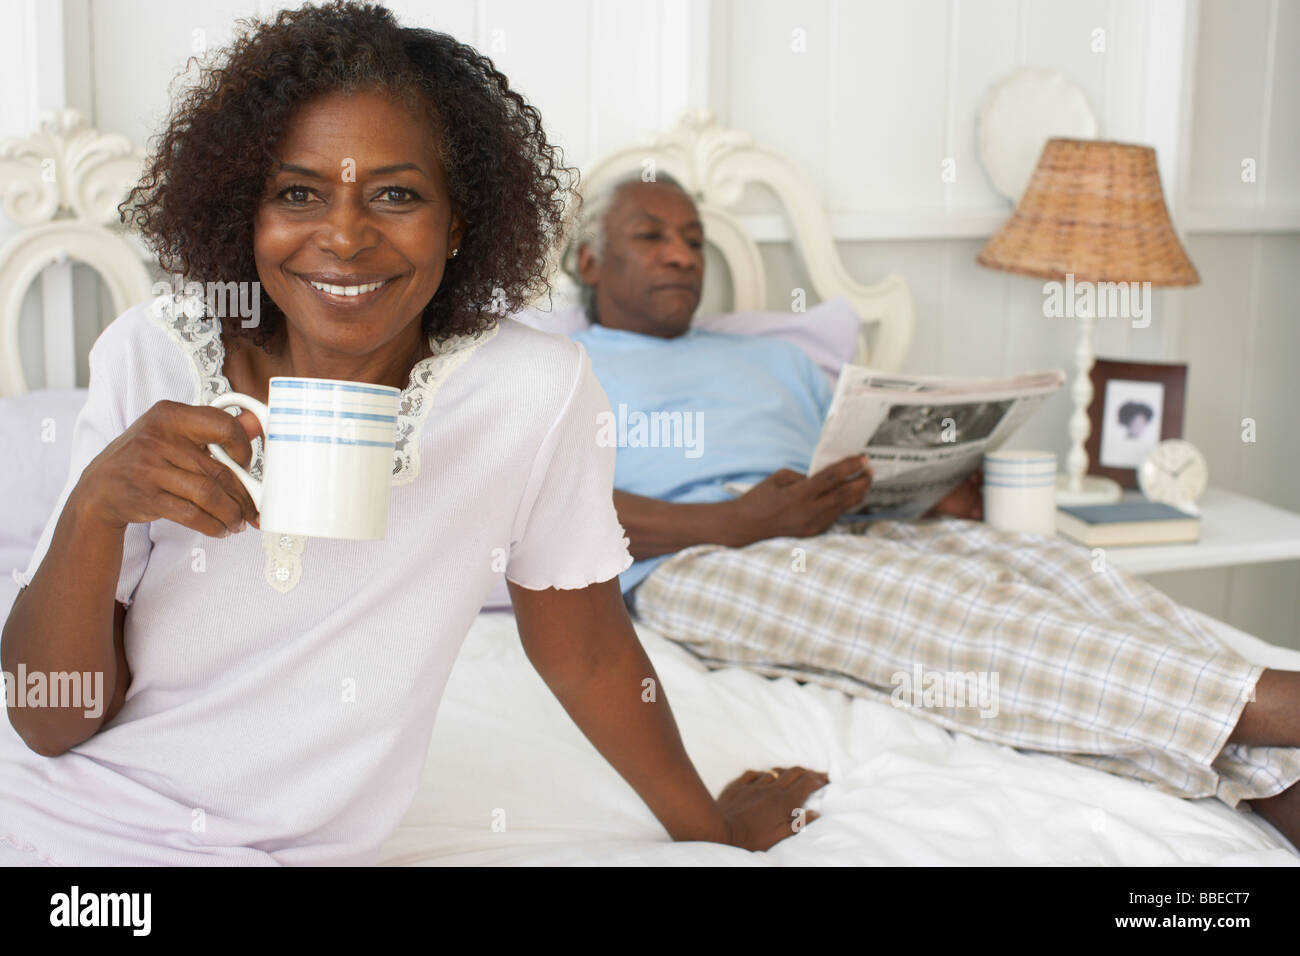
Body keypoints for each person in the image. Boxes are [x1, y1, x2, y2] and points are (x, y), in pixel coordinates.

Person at [0, 1, 826, 866]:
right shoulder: (156, 353)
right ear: (246, 212)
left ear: (459, 221)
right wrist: (94, 508)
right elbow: (46, 723)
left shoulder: (532, 394)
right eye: (297, 193)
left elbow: (586, 651)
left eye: (396, 194)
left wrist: (713, 835)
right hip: (57, 827)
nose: (346, 236)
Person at [561, 170, 1300, 848]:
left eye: (694, 239)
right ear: (591, 264)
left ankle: (1278, 786)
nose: (683, 256)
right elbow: (561, 514)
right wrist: (738, 523)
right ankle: (1278, 705)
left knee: (1064, 571)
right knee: (958, 621)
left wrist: (937, 481)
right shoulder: (563, 372)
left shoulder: (779, 360)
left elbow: (848, 456)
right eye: (652, 236)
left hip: (848, 526)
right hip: (700, 554)